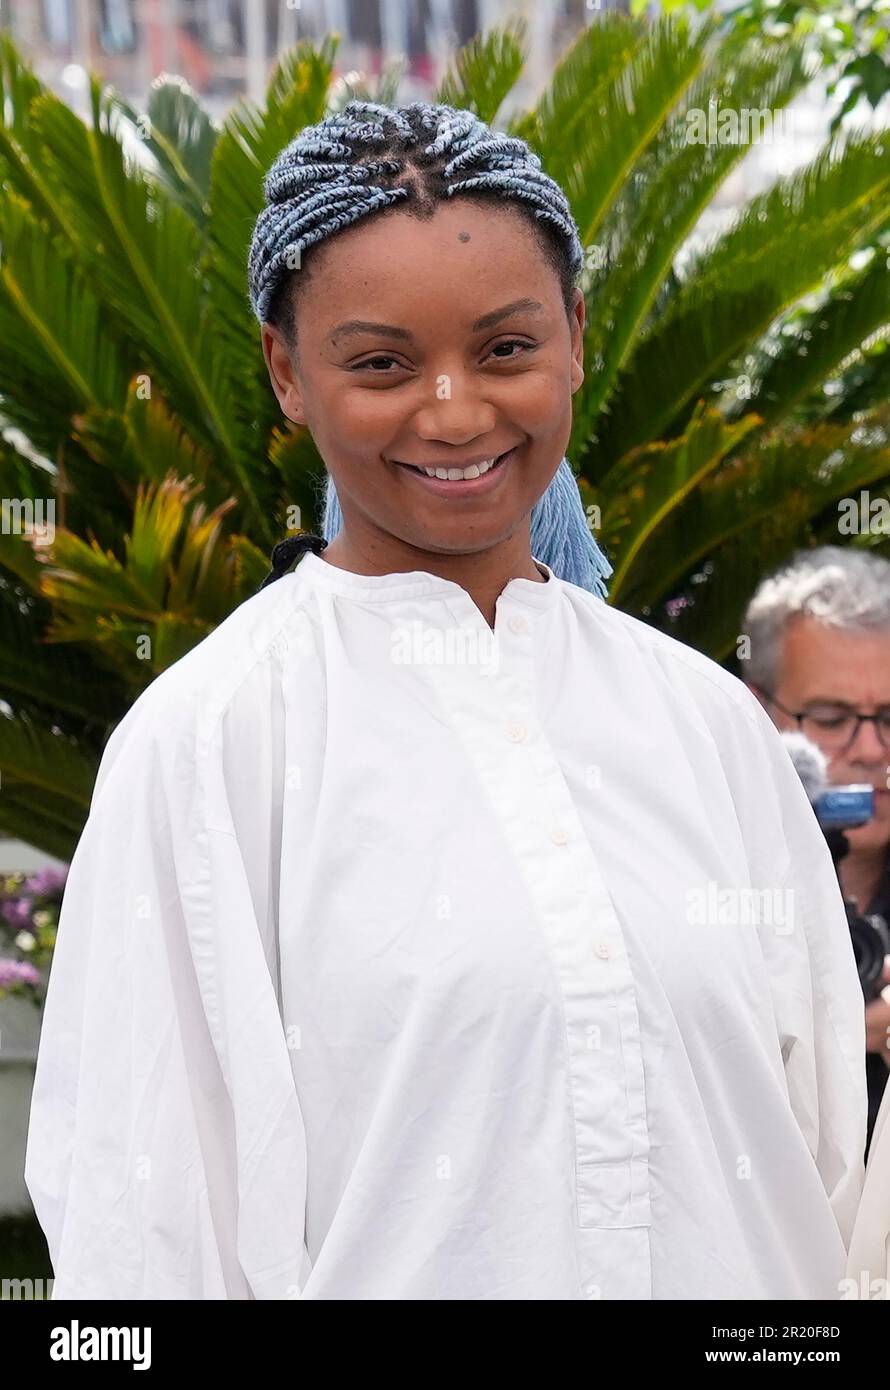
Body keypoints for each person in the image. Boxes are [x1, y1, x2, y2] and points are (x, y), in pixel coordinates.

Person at [25, 99, 866, 1300]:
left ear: (574, 336)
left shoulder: (705, 723)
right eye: (378, 363)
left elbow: (825, 1164)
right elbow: (141, 1225)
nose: (454, 410)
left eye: (506, 349)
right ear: (287, 372)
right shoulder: (212, 741)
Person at [741, 547, 890, 1155]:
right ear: (754, 709)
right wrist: (845, 1039)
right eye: (831, 717)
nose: (872, 750)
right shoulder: (706, 877)